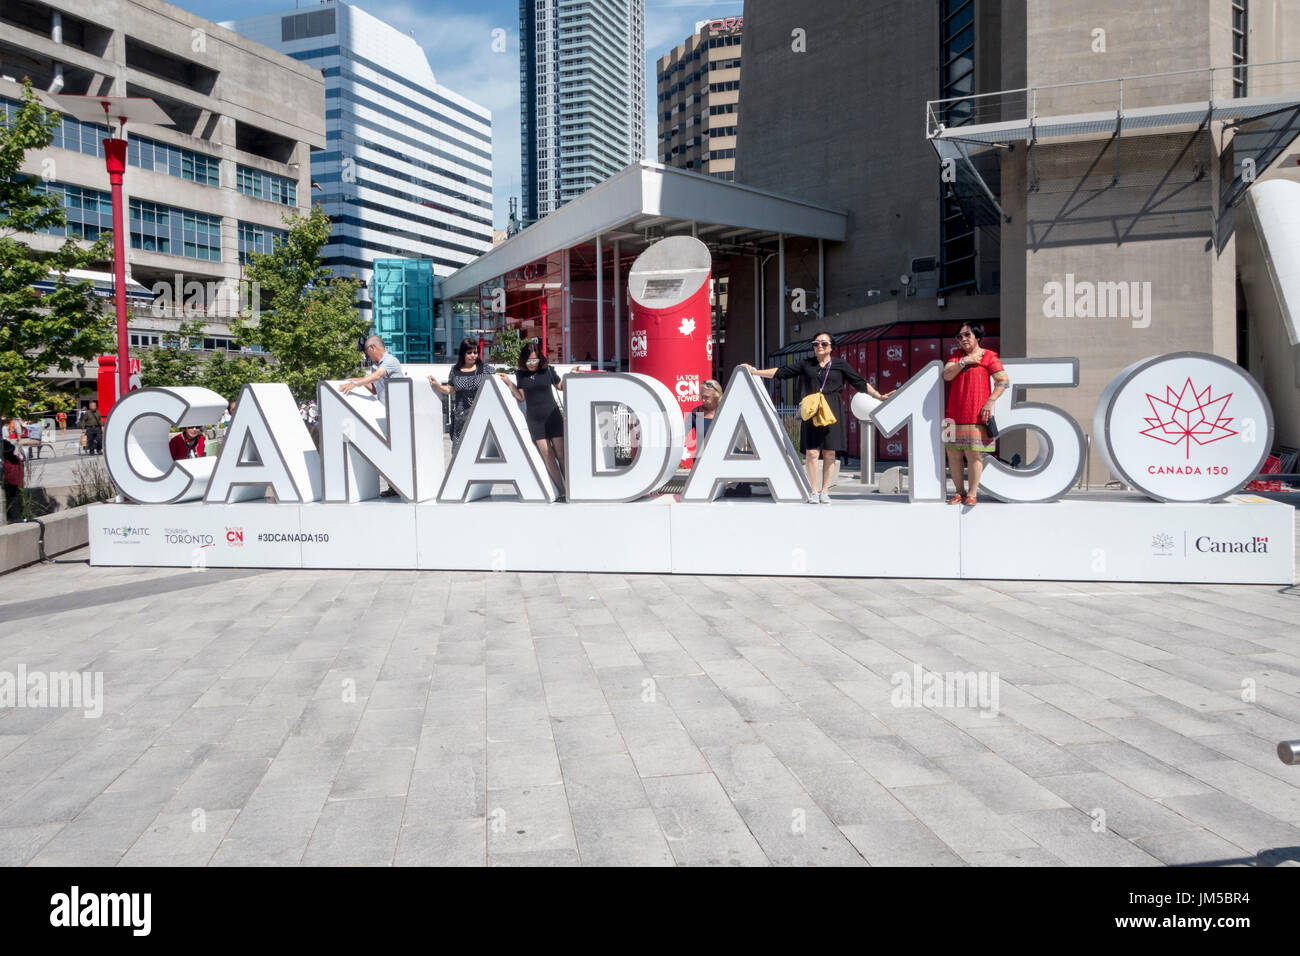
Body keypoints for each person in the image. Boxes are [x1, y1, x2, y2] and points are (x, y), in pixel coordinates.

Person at [742, 331, 894, 503]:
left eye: (824, 343)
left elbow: (858, 381)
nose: (819, 346)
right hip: (812, 410)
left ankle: (824, 491)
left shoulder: (840, 365)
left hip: (832, 409)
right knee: (812, 453)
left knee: (830, 453)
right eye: (816, 343)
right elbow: (782, 372)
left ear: (831, 347)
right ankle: (813, 491)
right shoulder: (807, 364)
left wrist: (878, 396)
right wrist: (755, 372)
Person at [942, 322, 1009, 506]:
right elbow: (946, 375)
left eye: (967, 335)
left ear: (977, 336)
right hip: (952, 414)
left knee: (974, 455)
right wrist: (965, 361)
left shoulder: (989, 356)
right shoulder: (957, 356)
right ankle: (958, 492)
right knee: (953, 454)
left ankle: (972, 494)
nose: (963, 339)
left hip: (976, 414)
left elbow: (1003, 381)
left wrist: (990, 401)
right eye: (959, 336)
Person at [497, 342, 566, 497]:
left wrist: (571, 376)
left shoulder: (548, 370)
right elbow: (521, 397)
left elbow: (560, 386)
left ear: (539, 358)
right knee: (547, 456)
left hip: (553, 416)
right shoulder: (521, 374)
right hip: (535, 420)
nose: (532, 364)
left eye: (535, 360)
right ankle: (561, 491)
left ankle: (571, 489)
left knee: (561, 454)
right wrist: (509, 383)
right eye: (529, 361)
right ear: (524, 360)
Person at [430, 338, 495, 451]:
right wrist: (437, 385)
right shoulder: (455, 370)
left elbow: (497, 382)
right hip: (461, 417)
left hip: (481, 415)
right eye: (469, 352)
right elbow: (450, 389)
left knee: (480, 450)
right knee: (459, 451)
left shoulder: (485, 369)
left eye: (475, 352)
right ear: (463, 353)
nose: (473, 355)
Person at [339, 334, 403, 402]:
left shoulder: (390, 360)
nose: (367, 356)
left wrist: (355, 383)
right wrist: (352, 380)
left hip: (396, 407)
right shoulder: (375, 366)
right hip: (384, 408)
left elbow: (377, 376)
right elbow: (375, 390)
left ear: (372, 348)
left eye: (366, 352)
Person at [3, 438, 23, 522]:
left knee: (13, 508)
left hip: (9, 488)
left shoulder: (4, 463)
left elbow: (5, 478)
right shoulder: (18, 460)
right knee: (15, 509)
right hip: (17, 488)